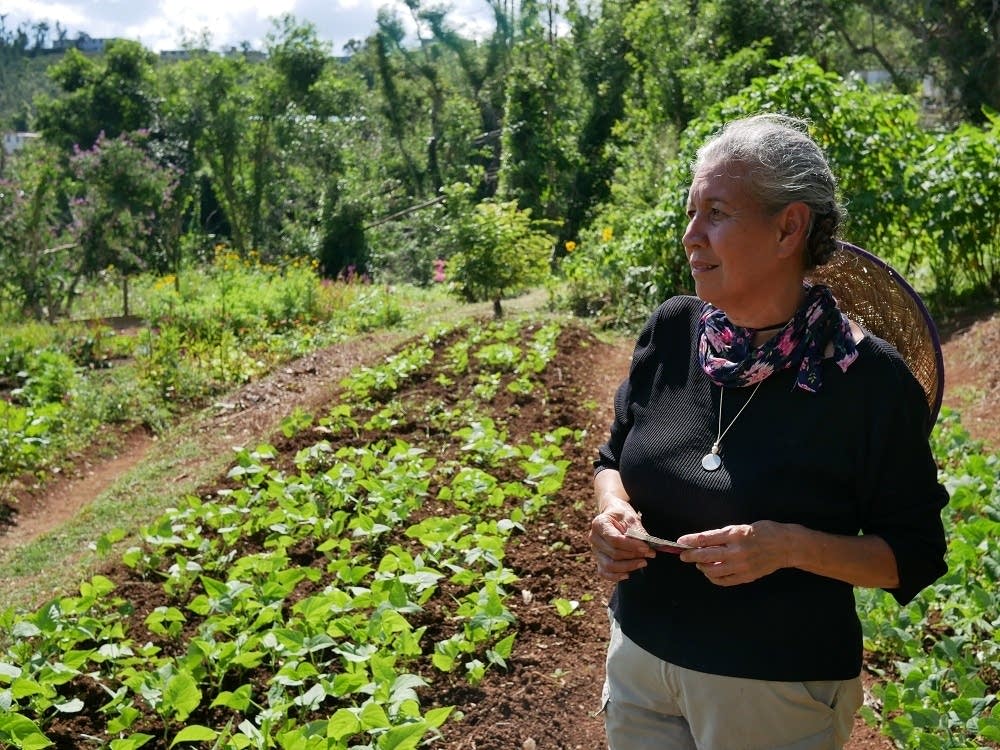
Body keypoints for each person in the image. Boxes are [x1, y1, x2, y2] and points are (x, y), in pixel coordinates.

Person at [589, 113, 948, 750]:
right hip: (641, 661)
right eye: (691, 211)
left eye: (717, 213)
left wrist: (788, 547)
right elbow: (614, 454)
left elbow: (915, 553)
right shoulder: (674, 330)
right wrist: (613, 510)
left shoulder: (867, 381)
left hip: (774, 690)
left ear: (789, 227)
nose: (690, 237)